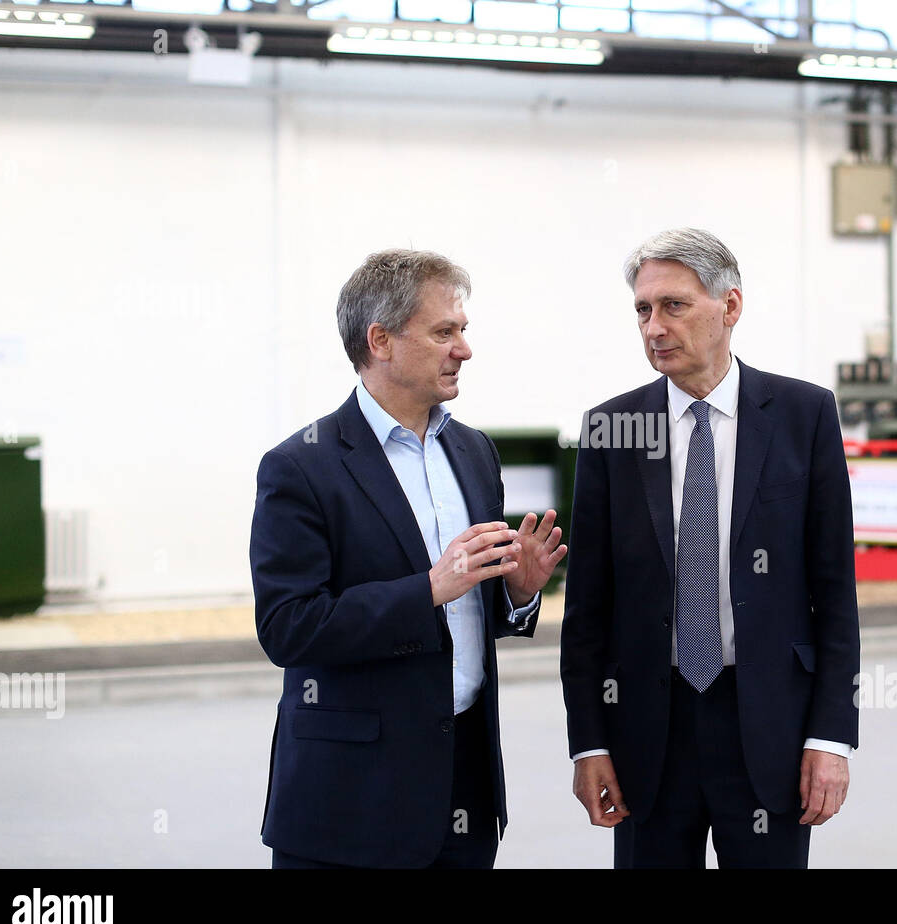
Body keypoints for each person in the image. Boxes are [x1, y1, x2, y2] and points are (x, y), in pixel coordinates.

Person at [250, 249, 566, 868]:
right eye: (444, 332)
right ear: (381, 340)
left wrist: (517, 594)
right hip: (349, 802)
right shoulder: (301, 467)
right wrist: (426, 588)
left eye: (463, 331)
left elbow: (468, 616)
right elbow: (287, 628)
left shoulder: (473, 452)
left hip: (463, 788)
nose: (463, 349)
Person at [560, 228, 860, 868]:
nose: (653, 327)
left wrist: (832, 735)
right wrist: (589, 744)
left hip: (769, 727)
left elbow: (835, 594)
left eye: (674, 305)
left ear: (730, 307)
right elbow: (588, 607)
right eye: (643, 310)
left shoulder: (804, 415)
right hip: (646, 729)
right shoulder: (611, 429)